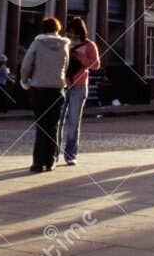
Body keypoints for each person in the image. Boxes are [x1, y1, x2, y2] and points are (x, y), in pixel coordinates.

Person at [20, 18, 70, 173]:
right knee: (53, 126)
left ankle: (37, 163)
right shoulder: (64, 46)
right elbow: (66, 66)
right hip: (57, 89)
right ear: (57, 29)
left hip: (39, 88)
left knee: (41, 125)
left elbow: (26, 64)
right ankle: (50, 161)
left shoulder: (37, 43)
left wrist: (24, 81)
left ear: (43, 29)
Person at [61, 17, 100, 166]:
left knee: (73, 122)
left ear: (80, 32)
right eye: (70, 32)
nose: (72, 35)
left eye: (74, 32)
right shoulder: (65, 43)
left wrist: (80, 57)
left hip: (79, 86)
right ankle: (53, 153)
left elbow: (96, 64)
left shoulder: (89, 45)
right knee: (57, 122)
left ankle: (70, 155)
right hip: (63, 84)